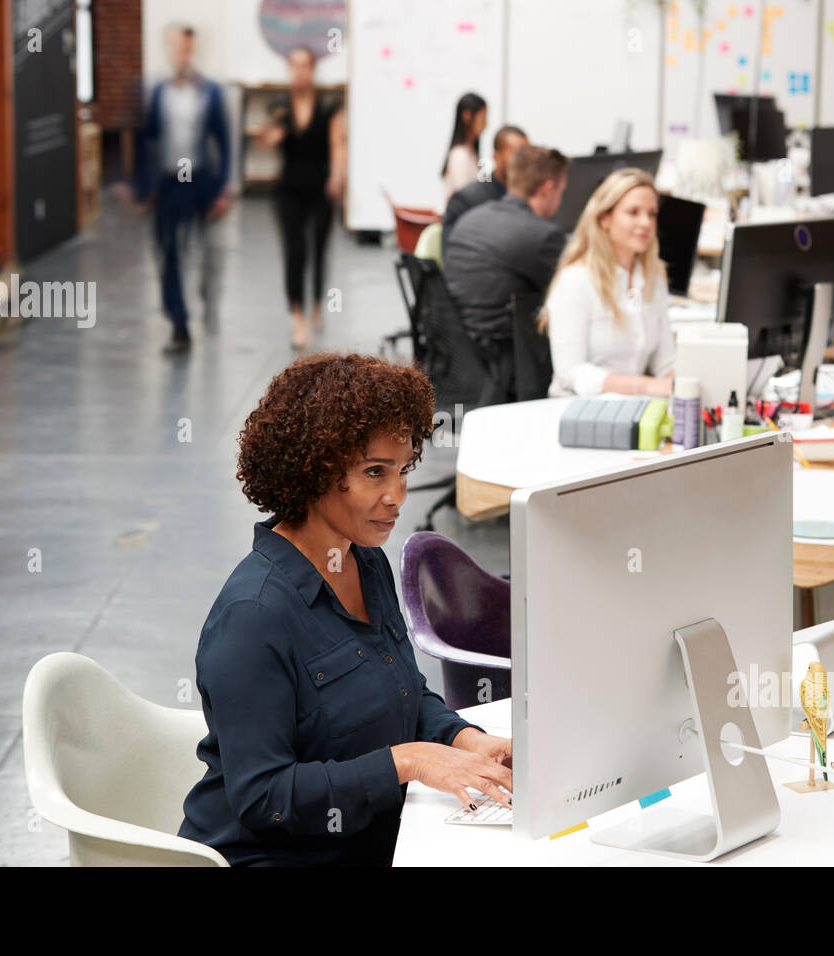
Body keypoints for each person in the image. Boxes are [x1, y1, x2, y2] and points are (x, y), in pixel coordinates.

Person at [178, 353, 513, 867]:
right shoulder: (252, 617)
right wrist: (409, 761)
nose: (396, 495)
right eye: (374, 473)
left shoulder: (366, 563)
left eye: (402, 471)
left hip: (374, 839)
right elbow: (264, 798)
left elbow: (402, 692)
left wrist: (464, 739)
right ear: (311, 470)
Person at [443, 145, 569, 404]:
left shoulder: (470, 219)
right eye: (561, 191)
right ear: (548, 188)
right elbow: (574, 292)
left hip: (461, 353)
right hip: (507, 361)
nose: (561, 200)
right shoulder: (542, 235)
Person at [135, 24, 232, 355]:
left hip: (200, 181)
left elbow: (224, 141)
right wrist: (143, 188)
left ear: (194, 51)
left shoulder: (209, 93)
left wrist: (223, 189)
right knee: (169, 252)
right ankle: (179, 323)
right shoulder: (159, 93)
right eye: (178, 48)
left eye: (188, 48)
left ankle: (208, 303)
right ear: (170, 50)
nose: (182, 54)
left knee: (207, 253)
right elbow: (146, 140)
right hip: (170, 184)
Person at [542, 167, 675, 398]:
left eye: (652, 214)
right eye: (633, 212)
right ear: (605, 218)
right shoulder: (576, 281)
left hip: (635, 410)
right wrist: (644, 386)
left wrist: (683, 386)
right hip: (579, 411)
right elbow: (571, 372)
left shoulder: (653, 279)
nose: (646, 223)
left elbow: (665, 364)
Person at [261, 46, 346, 351]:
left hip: (320, 188)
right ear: (289, 70)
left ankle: (316, 304)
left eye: (305, 66)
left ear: (312, 69)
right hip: (289, 189)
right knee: (294, 251)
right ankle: (297, 314)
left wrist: (337, 175)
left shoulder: (328, 106)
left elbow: (338, 144)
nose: (300, 72)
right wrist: (273, 134)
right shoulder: (280, 106)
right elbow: (266, 138)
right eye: (294, 66)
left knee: (318, 249)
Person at [441, 124, 527, 242]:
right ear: (496, 156)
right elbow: (455, 252)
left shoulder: (530, 198)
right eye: (516, 155)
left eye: (527, 156)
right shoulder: (466, 200)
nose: (523, 163)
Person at [440, 92, 487, 209]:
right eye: (483, 118)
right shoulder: (459, 155)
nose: (486, 124)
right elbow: (466, 196)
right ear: (467, 116)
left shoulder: (471, 152)